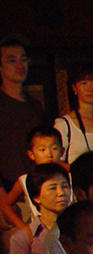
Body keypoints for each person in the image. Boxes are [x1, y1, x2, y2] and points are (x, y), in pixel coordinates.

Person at [6, 162, 71, 254]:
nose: (61, 193)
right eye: (52, 188)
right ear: (36, 197)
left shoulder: (80, 229)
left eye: (65, 186)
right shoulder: (24, 238)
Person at [1, 126, 65, 234]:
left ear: (62, 151)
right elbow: (6, 205)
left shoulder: (68, 176)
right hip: (40, 232)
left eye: (54, 148)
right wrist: (24, 228)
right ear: (31, 154)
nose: (49, 154)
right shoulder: (24, 180)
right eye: (42, 150)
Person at [1, 35, 45, 190]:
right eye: (12, 60)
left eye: (23, 59)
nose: (20, 65)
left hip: (35, 185)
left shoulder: (35, 105)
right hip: (7, 186)